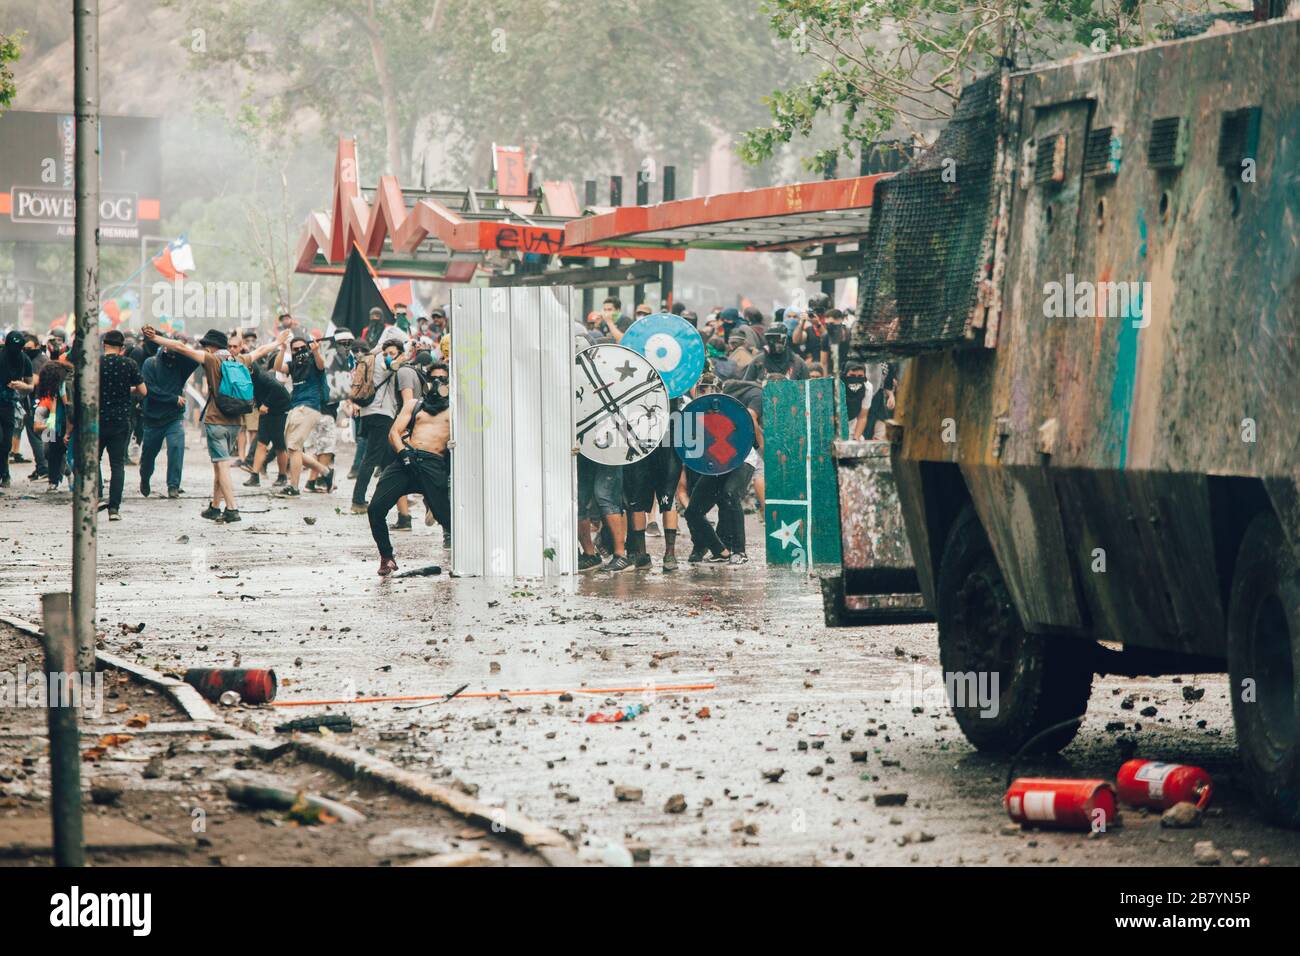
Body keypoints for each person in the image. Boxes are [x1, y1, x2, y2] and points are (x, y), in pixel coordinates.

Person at [142, 326, 252, 524]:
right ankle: (215, 507)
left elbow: (179, 347)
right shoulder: (240, 359)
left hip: (216, 420)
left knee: (221, 465)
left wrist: (156, 338)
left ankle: (232, 508)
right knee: (220, 466)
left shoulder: (211, 359)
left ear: (210, 347)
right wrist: (279, 342)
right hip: (236, 420)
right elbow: (262, 351)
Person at [367, 370, 452, 576]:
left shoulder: (455, 409)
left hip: (434, 464)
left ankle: (466, 556)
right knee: (375, 509)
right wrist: (403, 452)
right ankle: (387, 558)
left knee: (447, 517)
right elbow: (394, 432)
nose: (436, 382)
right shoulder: (414, 405)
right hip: (407, 459)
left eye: (442, 378)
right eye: (432, 378)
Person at [350, 331, 420, 516]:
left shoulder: (370, 357)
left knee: (388, 459)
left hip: (368, 413)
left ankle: (401, 505)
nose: (391, 354)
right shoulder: (384, 360)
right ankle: (358, 501)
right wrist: (408, 348)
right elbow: (396, 363)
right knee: (371, 459)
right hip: (381, 414)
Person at [139, 335, 197, 498]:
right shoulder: (151, 363)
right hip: (153, 418)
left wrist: (184, 349)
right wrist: (172, 398)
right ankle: (145, 478)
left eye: (182, 347)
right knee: (148, 456)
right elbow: (149, 389)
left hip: (174, 417)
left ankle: (173, 485)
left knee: (176, 448)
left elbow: (196, 359)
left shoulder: (183, 364)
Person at [97, 329, 146, 519]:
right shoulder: (129, 364)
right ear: (122, 347)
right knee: (117, 465)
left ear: (104, 345)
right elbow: (143, 391)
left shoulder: (95, 364)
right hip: (120, 420)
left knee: (94, 461)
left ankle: (97, 497)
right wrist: (127, 390)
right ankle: (114, 509)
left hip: (97, 420)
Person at [275, 332, 331, 496]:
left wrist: (316, 351)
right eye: (295, 349)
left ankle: (294, 487)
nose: (299, 351)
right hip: (295, 407)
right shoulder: (292, 364)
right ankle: (325, 471)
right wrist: (282, 349)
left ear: (308, 347)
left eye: (302, 348)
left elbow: (322, 365)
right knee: (293, 449)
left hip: (309, 406)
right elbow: (278, 367)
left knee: (293, 446)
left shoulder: (314, 361)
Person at [1, 331, 36, 489]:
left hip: (9, 405)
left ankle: (5, 472)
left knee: (6, 443)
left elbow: (31, 385)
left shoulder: (24, 360)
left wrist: (23, 387)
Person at [741, 325, 808, 382]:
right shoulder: (758, 362)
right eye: (770, 338)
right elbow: (747, 386)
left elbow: (807, 389)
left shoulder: (798, 363)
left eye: (778, 338)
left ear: (785, 340)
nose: (774, 342)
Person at [843, 361, 873, 440]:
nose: (855, 379)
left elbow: (862, 417)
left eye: (860, 376)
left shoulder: (867, 388)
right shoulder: (836, 385)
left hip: (853, 429)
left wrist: (856, 438)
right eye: (852, 375)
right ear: (845, 374)